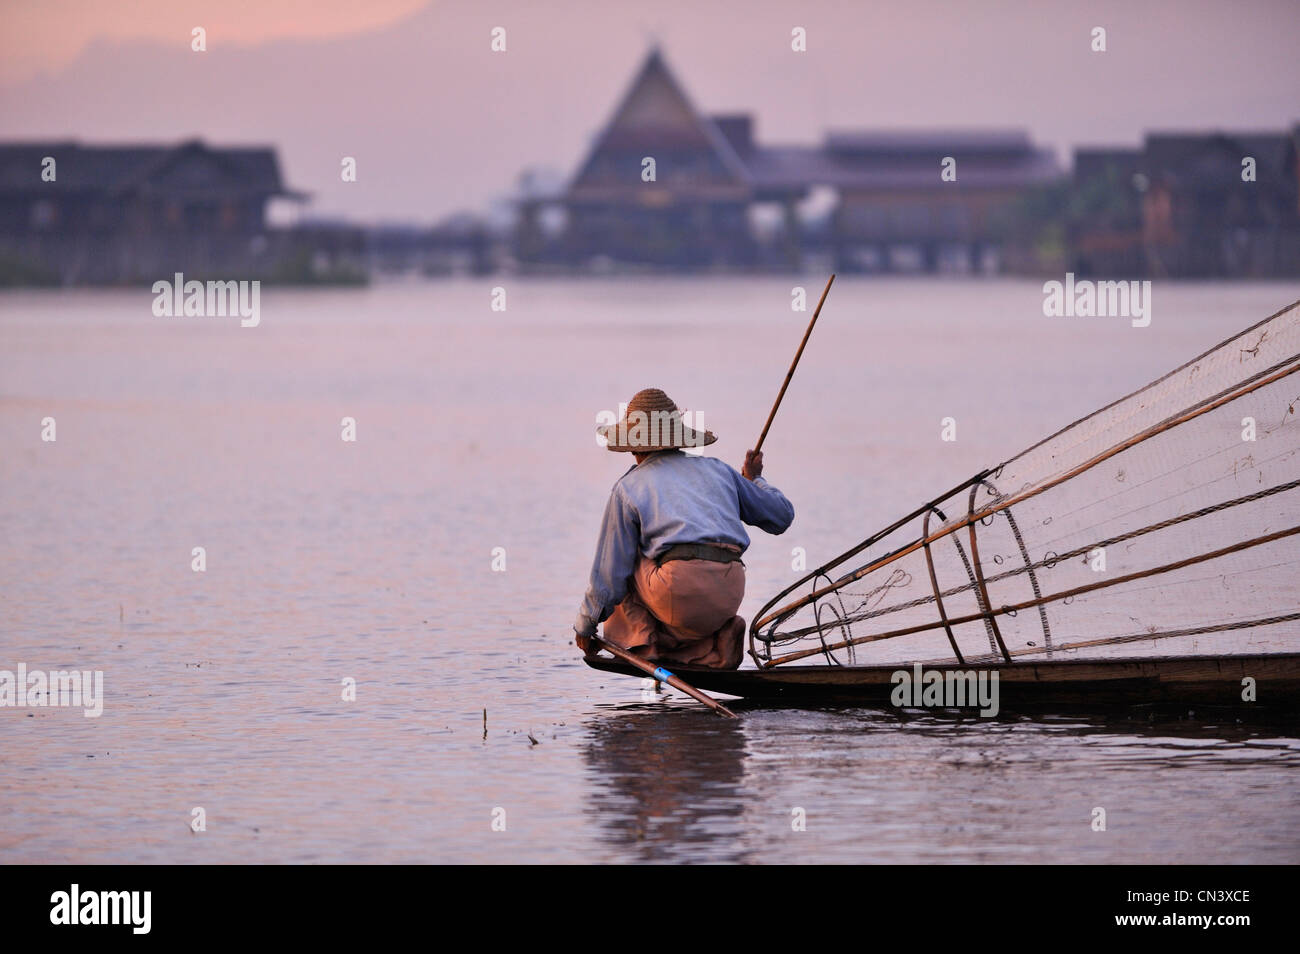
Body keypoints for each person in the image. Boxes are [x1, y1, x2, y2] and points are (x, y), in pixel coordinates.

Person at [574, 388, 795, 670]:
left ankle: (648, 647)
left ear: (633, 445)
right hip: (729, 591)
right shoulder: (719, 470)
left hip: (677, 589)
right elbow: (781, 516)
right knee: (675, 600)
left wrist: (585, 625)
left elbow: (608, 577)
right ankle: (715, 648)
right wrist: (755, 480)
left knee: (624, 567)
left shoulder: (628, 487)